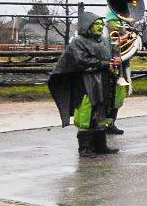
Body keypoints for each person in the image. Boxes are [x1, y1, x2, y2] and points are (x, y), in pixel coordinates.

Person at [47, 11, 120, 157]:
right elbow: (81, 61)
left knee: (101, 112)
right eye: (96, 24)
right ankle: (84, 148)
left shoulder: (105, 41)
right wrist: (105, 64)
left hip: (103, 81)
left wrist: (115, 61)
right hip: (86, 82)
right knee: (86, 113)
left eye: (101, 24)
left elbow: (110, 56)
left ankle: (100, 145)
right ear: (88, 26)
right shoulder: (78, 42)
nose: (100, 27)